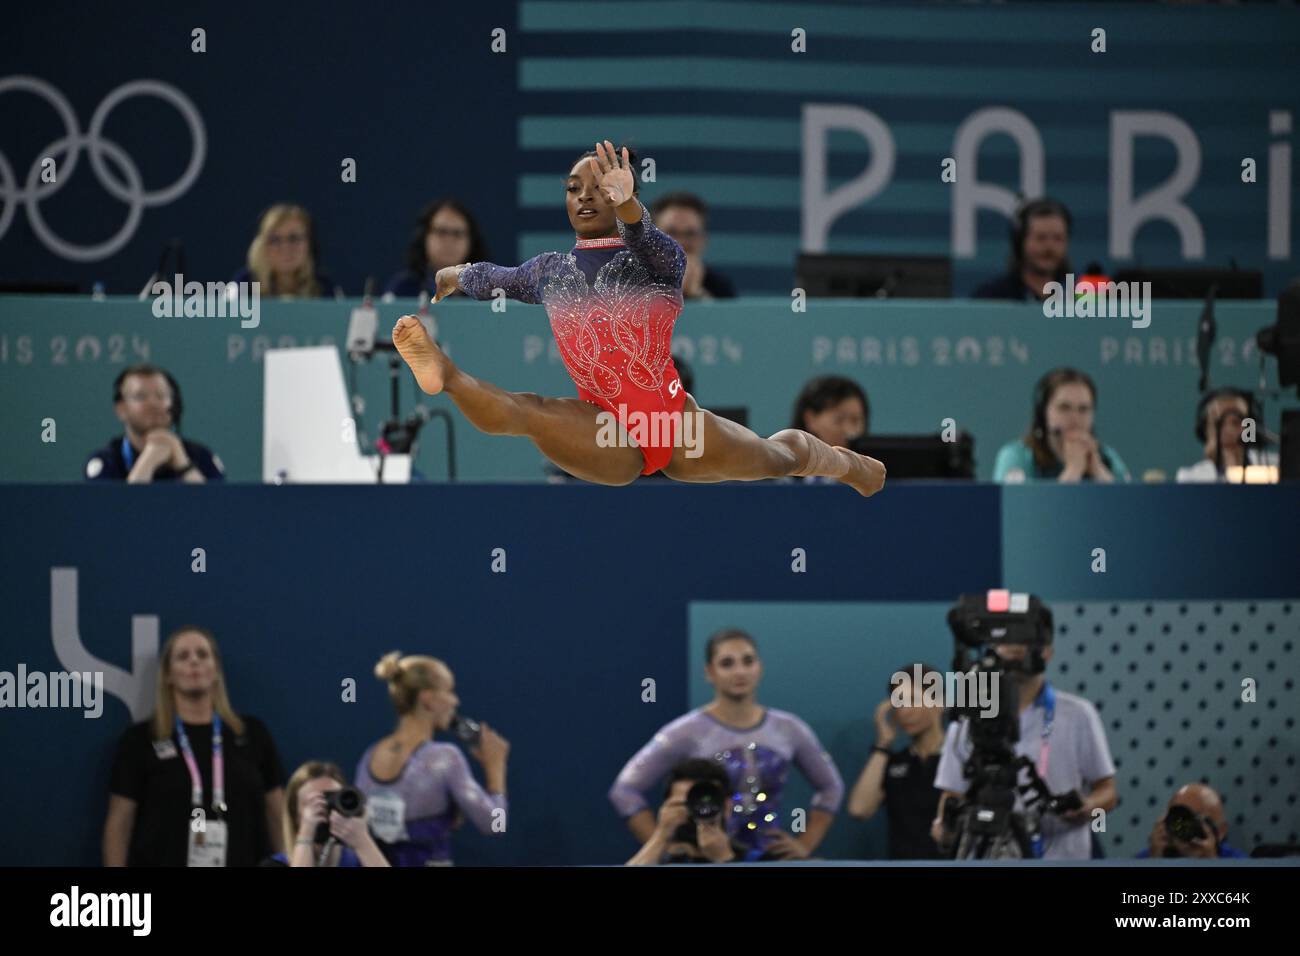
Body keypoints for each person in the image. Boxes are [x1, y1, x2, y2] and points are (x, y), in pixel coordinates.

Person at [389, 139, 884, 497]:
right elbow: (500, 278)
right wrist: (458, 272)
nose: (584, 196)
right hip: (604, 425)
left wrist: (629, 206)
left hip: (674, 428)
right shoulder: (549, 271)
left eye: (598, 187)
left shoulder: (652, 263)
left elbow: (660, 248)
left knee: (780, 458)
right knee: (528, 412)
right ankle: (446, 377)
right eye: (573, 188)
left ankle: (846, 463)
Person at [609, 628, 844, 861]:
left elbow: (831, 787)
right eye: (727, 663)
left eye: (748, 661)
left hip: (769, 856)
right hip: (704, 856)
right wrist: (663, 845)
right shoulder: (684, 732)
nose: (739, 671)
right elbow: (625, 791)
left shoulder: (789, 729)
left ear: (759, 667)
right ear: (709, 672)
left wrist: (805, 844)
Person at [103, 626, 285, 866]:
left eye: (202, 654)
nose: (194, 662)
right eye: (183, 656)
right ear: (167, 674)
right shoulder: (141, 740)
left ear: (216, 670)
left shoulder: (251, 734)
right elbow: (120, 823)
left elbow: (277, 815)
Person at [931, 639, 1118, 860]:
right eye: (1005, 639)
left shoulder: (1079, 714)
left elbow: (1108, 793)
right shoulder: (970, 717)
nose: (1014, 646)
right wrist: (945, 829)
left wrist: (1090, 808)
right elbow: (951, 796)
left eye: (1025, 639)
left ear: (1047, 652)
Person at [354, 652, 509, 866]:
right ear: (428, 698)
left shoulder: (370, 755)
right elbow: (495, 824)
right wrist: (496, 767)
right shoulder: (443, 758)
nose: (456, 701)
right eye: (449, 691)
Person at [846, 662, 946, 859]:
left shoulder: (960, 759)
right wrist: (883, 744)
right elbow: (859, 809)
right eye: (898, 702)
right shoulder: (895, 762)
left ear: (940, 703)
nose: (904, 711)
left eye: (913, 700)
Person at [84, 365, 224, 483]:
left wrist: (182, 463)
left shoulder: (201, 456)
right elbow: (115, 511)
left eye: (161, 395)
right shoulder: (106, 461)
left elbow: (214, 508)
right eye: (141, 397)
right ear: (121, 409)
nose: (153, 404)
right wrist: (150, 459)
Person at [992, 367, 1130, 483]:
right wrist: (1073, 470)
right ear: (1043, 412)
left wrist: (1099, 472)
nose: (1075, 418)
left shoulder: (1107, 457)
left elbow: (1128, 509)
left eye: (1083, 409)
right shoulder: (1017, 456)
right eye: (1064, 408)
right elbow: (1016, 509)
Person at [263, 761, 390, 867]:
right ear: (294, 815)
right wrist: (306, 834)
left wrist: (363, 841)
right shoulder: (275, 864)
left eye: (333, 799)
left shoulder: (362, 859)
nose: (327, 809)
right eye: (314, 802)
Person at [626, 759, 745, 864]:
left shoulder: (756, 859)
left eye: (706, 803)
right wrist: (660, 837)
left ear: (727, 806)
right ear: (666, 808)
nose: (696, 812)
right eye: (684, 804)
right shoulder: (657, 860)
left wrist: (725, 859)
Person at [383, 199, 491, 299]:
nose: (449, 241)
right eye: (441, 232)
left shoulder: (487, 289)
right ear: (424, 237)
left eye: (457, 233)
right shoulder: (403, 289)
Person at [971, 197, 1071, 302]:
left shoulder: (1080, 297)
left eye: (1058, 238)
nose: (1049, 247)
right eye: (1040, 238)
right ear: (1020, 242)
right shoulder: (990, 298)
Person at [1176, 387, 1279, 483]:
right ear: (1206, 429)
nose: (1229, 430)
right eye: (1219, 423)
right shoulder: (1191, 478)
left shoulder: (1277, 467)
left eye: (1236, 421)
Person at [232, 203, 334, 298]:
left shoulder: (324, 286)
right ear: (261, 247)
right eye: (275, 240)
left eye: (293, 238)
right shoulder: (243, 285)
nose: (285, 248)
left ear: (309, 244)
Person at [650, 192, 735, 299]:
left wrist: (697, 296)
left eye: (690, 234)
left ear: (704, 240)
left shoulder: (720, 288)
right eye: (671, 232)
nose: (680, 243)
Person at [1137, 783, 1248, 859]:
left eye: (1198, 820)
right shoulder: (1148, 858)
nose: (1187, 826)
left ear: (1221, 831)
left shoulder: (1237, 861)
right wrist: (1155, 863)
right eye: (1179, 819)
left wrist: (1211, 863)